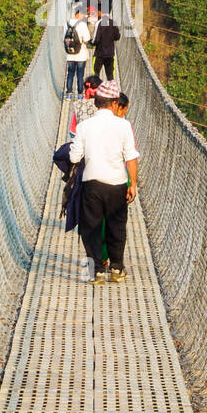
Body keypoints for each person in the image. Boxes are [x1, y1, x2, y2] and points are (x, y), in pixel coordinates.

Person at [69, 78, 138, 283]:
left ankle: (96, 271)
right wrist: (132, 184)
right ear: (115, 103)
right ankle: (116, 268)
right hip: (117, 184)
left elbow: (74, 157)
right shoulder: (124, 126)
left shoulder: (84, 126)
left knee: (91, 228)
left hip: (92, 184)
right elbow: (131, 157)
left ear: (96, 102)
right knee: (116, 226)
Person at [64, 7, 93, 99]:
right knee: (80, 74)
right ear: (79, 14)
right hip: (81, 55)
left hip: (70, 54)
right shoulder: (82, 25)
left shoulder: (66, 23)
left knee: (70, 73)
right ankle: (80, 94)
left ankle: (69, 94)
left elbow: (64, 38)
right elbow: (87, 39)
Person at [91, 9, 121, 81]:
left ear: (100, 13)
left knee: (96, 74)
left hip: (99, 54)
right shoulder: (113, 23)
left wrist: (91, 43)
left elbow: (96, 39)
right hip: (110, 54)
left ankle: (96, 90)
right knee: (110, 76)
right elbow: (117, 37)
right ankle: (110, 90)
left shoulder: (99, 23)